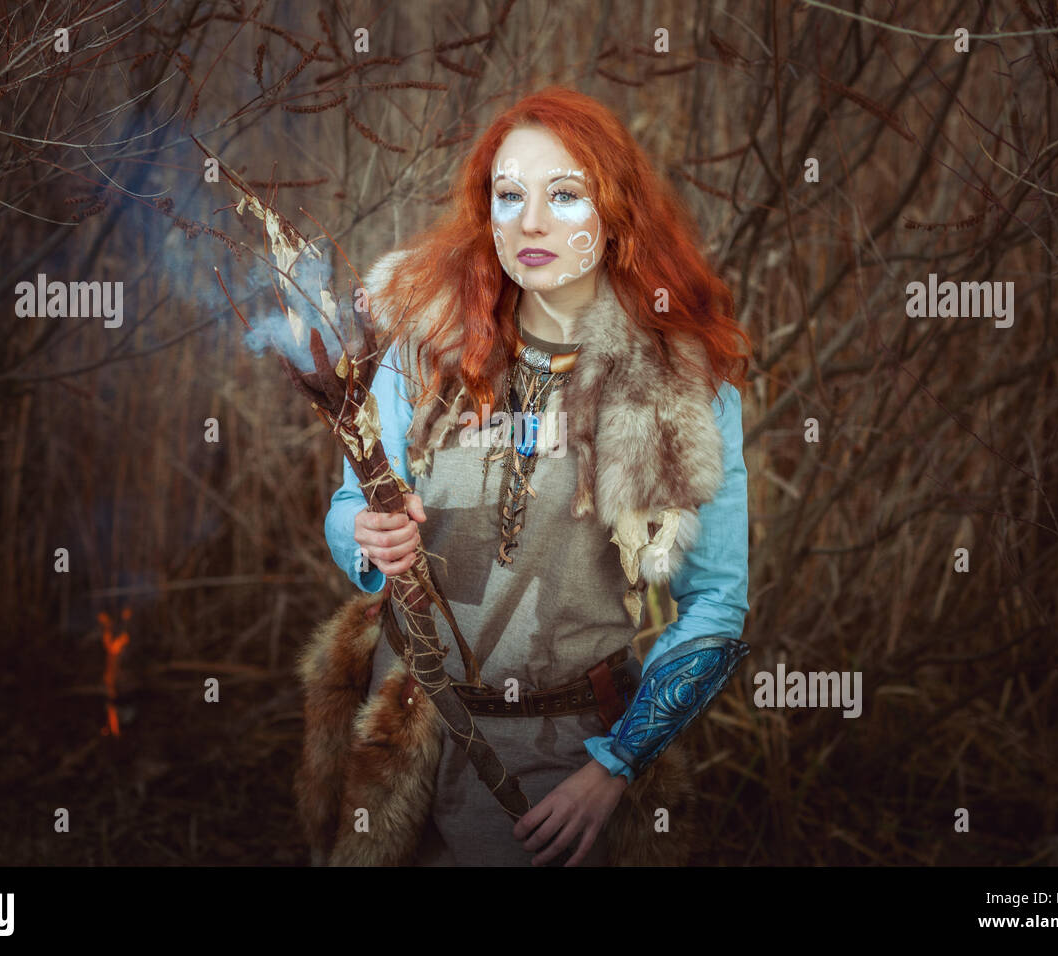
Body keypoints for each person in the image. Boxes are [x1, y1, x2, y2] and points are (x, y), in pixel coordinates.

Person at [302, 86, 751, 867]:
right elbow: (350, 507)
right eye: (508, 195)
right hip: (395, 733)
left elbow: (717, 603)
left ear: (616, 212)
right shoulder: (427, 344)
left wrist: (616, 765)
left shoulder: (680, 391)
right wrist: (365, 535)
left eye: (564, 195)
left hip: (560, 760)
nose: (530, 221)